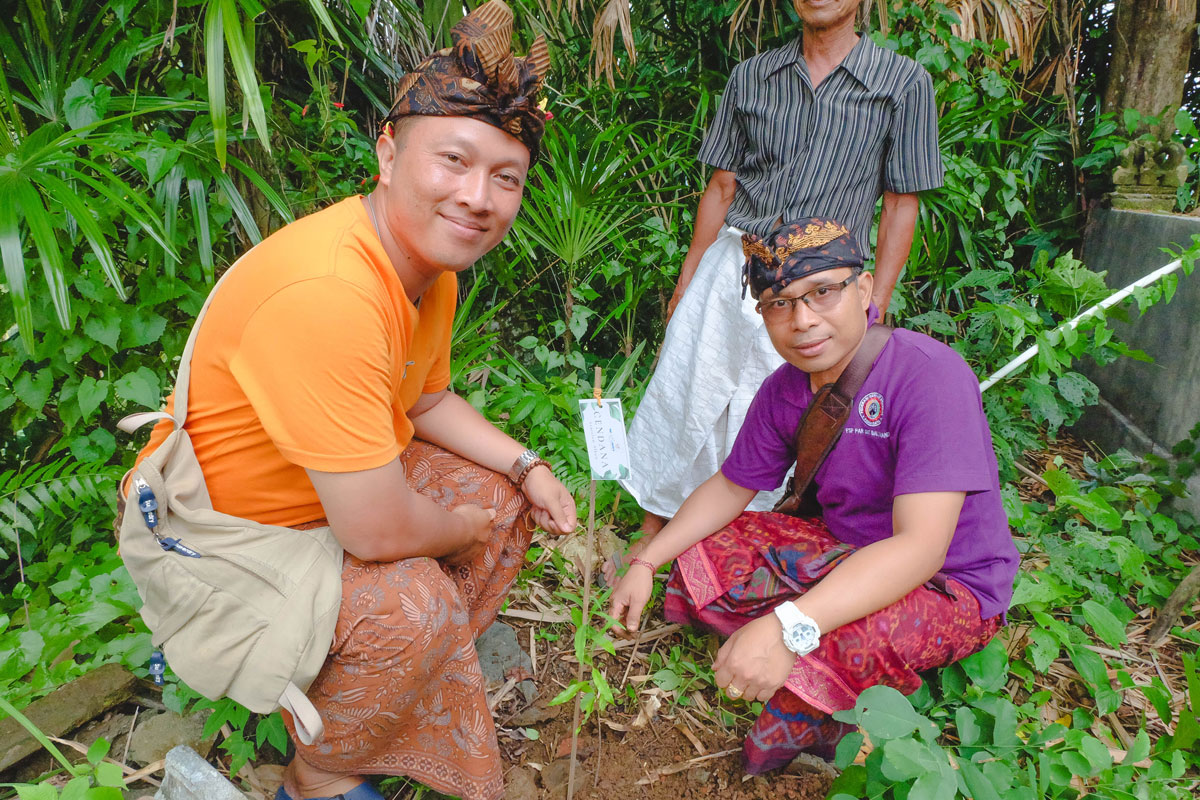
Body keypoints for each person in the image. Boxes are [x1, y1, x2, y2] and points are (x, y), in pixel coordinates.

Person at [129, 4, 576, 799]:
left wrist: (527, 463)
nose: (478, 197)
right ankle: (320, 770)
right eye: (454, 161)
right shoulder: (333, 291)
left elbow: (430, 399)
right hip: (222, 538)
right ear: (387, 154)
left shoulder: (423, 267)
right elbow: (375, 531)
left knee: (504, 500)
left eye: (505, 178)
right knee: (419, 603)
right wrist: (457, 529)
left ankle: (373, 695)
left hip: (317, 503)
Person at [609, 218, 1018, 773]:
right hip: (839, 546)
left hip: (946, 582)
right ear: (763, 316)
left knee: (845, 644)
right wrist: (645, 560)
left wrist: (788, 626)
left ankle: (815, 718)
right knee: (706, 548)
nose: (803, 321)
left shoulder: (928, 376)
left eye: (823, 292)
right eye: (780, 303)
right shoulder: (784, 388)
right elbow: (732, 487)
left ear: (866, 289)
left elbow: (920, 549)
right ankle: (782, 638)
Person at [613, 0, 944, 577]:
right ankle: (652, 520)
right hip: (735, 260)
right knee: (688, 388)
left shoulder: (902, 82)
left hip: (823, 281)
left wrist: (878, 298)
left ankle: (739, 534)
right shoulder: (752, 76)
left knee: (777, 404)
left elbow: (901, 201)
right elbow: (722, 182)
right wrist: (692, 269)